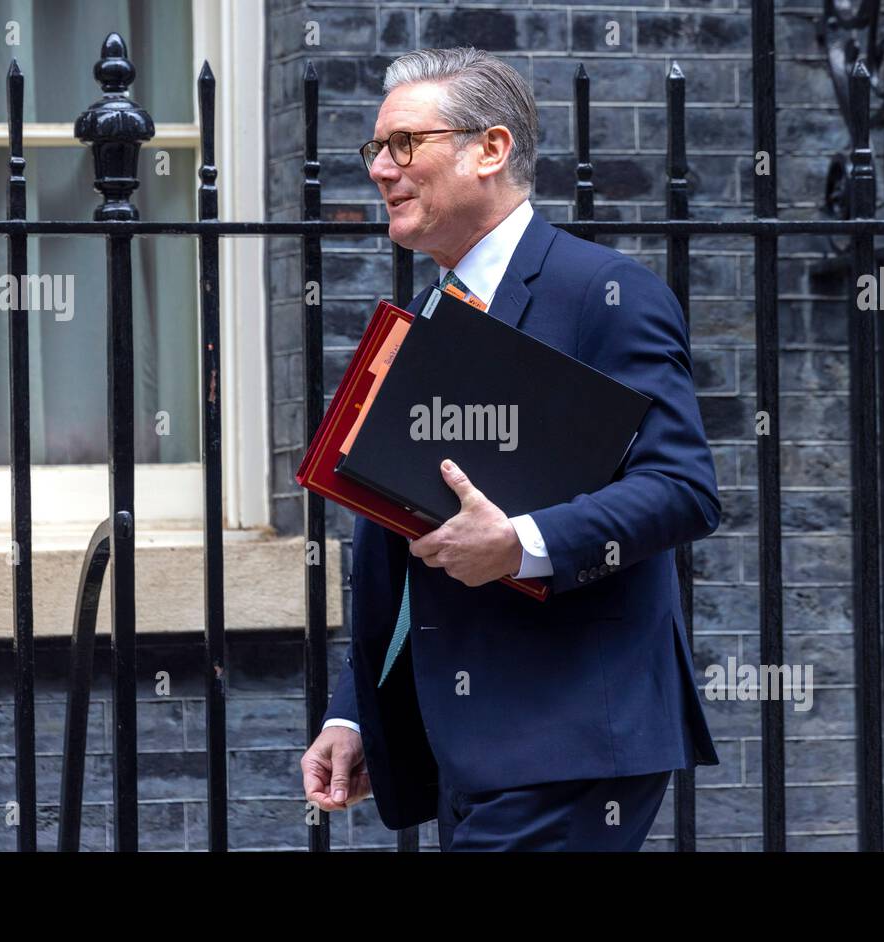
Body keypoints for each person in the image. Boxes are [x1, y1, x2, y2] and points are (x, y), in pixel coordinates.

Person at [299, 47, 721, 852]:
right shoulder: (426, 316)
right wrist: (355, 710)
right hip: (464, 748)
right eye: (376, 151)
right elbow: (398, 535)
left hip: (575, 734)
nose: (382, 171)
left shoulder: (608, 294)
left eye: (404, 145)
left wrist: (520, 545)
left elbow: (682, 487)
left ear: (490, 149)